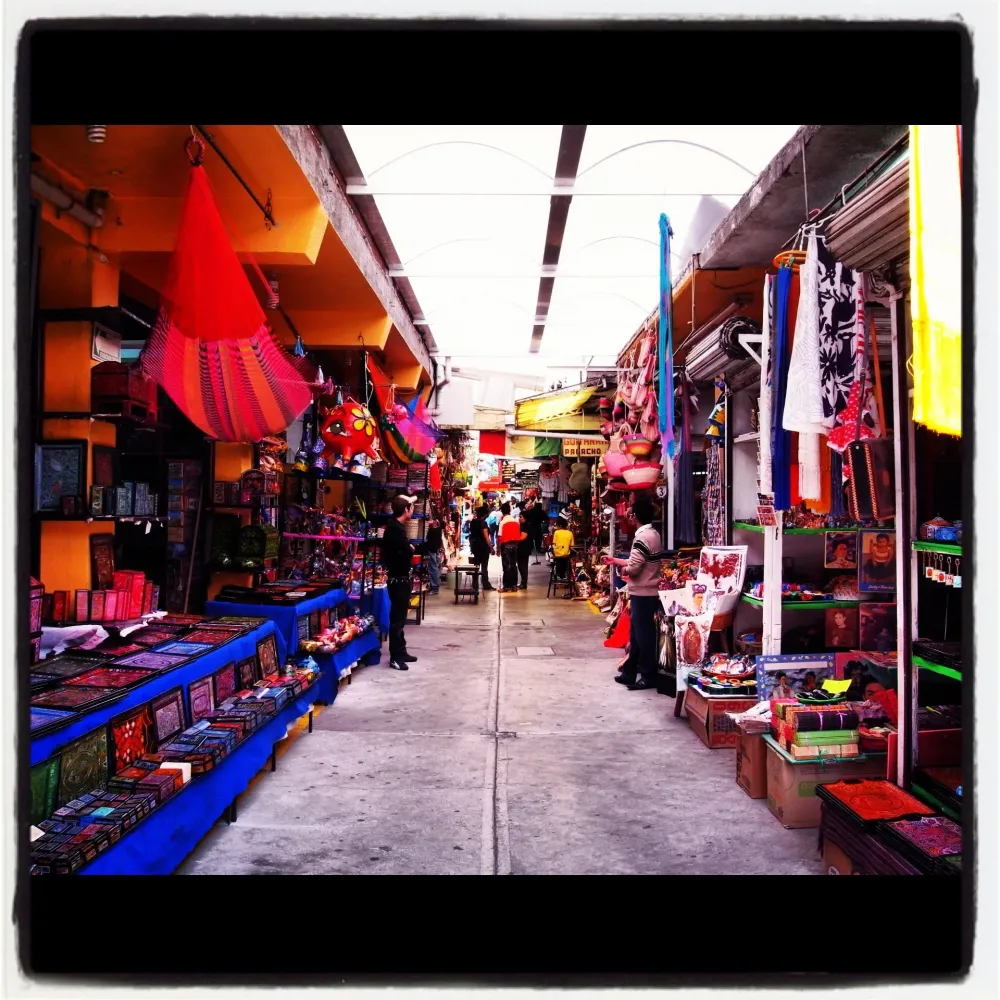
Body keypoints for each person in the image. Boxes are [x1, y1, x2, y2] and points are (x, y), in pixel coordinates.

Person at [601, 497, 663, 691]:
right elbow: (638, 561)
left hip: (644, 592)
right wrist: (614, 561)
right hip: (647, 590)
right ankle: (629, 671)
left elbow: (634, 568)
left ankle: (648, 675)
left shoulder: (642, 537)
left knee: (643, 635)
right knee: (636, 634)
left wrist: (623, 571)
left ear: (634, 516)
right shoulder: (653, 534)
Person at [382, 494, 419, 671]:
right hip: (397, 579)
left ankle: (401, 650)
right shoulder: (395, 529)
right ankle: (395, 657)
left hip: (401, 577)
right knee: (397, 618)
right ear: (405, 510)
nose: (413, 509)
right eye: (411, 507)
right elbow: (406, 551)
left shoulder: (396, 527)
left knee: (401, 617)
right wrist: (409, 549)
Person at [497, 502, 524, 592]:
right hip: (515, 546)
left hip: (505, 546)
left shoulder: (503, 522)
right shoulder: (515, 521)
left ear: (502, 511)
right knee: (513, 565)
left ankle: (506, 586)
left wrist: (498, 549)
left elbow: (499, 536)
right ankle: (514, 586)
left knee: (506, 566)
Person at [469, 504, 495, 591]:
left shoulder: (473, 522)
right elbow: (486, 536)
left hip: (475, 547)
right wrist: (491, 547)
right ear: (485, 514)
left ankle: (475, 584)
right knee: (484, 567)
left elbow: (471, 535)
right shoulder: (483, 523)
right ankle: (485, 584)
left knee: (476, 566)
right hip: (483, 547)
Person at [424, 515, 444, 595]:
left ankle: (435, 587)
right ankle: (434, 586)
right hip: (434, 550)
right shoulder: (437, 530)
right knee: (433, 567)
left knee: (433, 567)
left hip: (432, 550)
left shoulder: (434, 530)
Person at [551, 517, 575, 582]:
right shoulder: (570, 533)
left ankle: (559, 575)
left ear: (560, 526)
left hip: (557, 554)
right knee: (566, 559)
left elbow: (554, 543)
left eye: (557, 525)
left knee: (558, 559)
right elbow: (572, 545)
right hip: (566, 554)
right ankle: (565, 575)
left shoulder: (556, 532)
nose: (556, 527)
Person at [516, 511, 533, 590]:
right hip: (522, 548)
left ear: (525, 518)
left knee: (523, 565)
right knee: (521, 565)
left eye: (521, 517)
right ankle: (523, 582)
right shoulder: (522, 525)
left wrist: (514, 539)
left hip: (524, 548)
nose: (519, 518)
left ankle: (524, 583)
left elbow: (522, 537)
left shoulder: (526, 526)